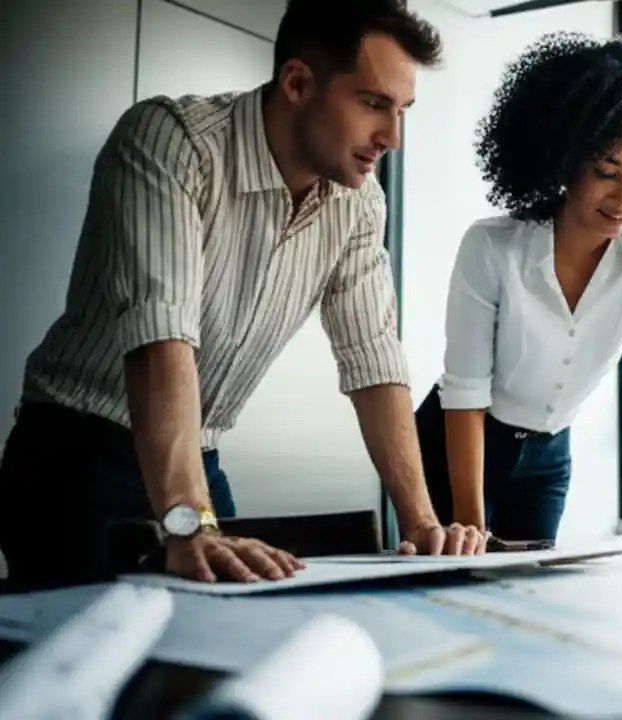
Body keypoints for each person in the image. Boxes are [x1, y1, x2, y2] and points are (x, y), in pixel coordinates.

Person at [0, 0, 485, 592]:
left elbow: (374, 359)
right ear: (299, 82)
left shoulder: (360, 202)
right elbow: (161, 338)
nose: (393, 137)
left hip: (198, 458)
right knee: (80, 660)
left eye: (403, 110)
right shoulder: (172, 142)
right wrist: (190, 527)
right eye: (373, 103)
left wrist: (423, 526)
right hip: (77, 455)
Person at [413, 32, 622, 543]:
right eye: (606, 172)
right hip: (457, 444)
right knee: (453, 588)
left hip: (550, 457)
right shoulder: (491, 247)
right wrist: (470, 527)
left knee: (529, 600)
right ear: (565, 158)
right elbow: (465, 392)